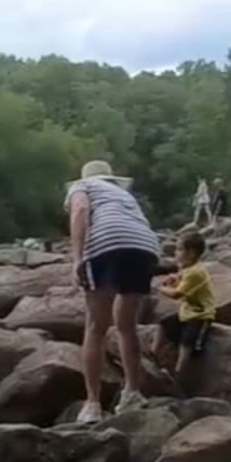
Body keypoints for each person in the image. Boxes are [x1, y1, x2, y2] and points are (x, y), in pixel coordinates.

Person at [66, 159, 160, 423]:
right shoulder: (123, 194)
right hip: (143, 246)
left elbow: (80, 210)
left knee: (95, 326)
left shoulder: (82, 186)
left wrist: (77, 259)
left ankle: (92, 404)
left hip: (107, 244)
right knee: (126, 326)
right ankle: (132, 394)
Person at [158, 230, 215, 396]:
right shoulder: (189, 269)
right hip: (188, 311)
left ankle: (179, 373)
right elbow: (181, 278)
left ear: (191, 253)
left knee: (187, 342)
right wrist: (173, 279)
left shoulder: (196, 272)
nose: (175, 253)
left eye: (179, 249)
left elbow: (177, 294)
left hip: (200, 314)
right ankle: (153, 354)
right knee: (163, 323)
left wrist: (161, 288)